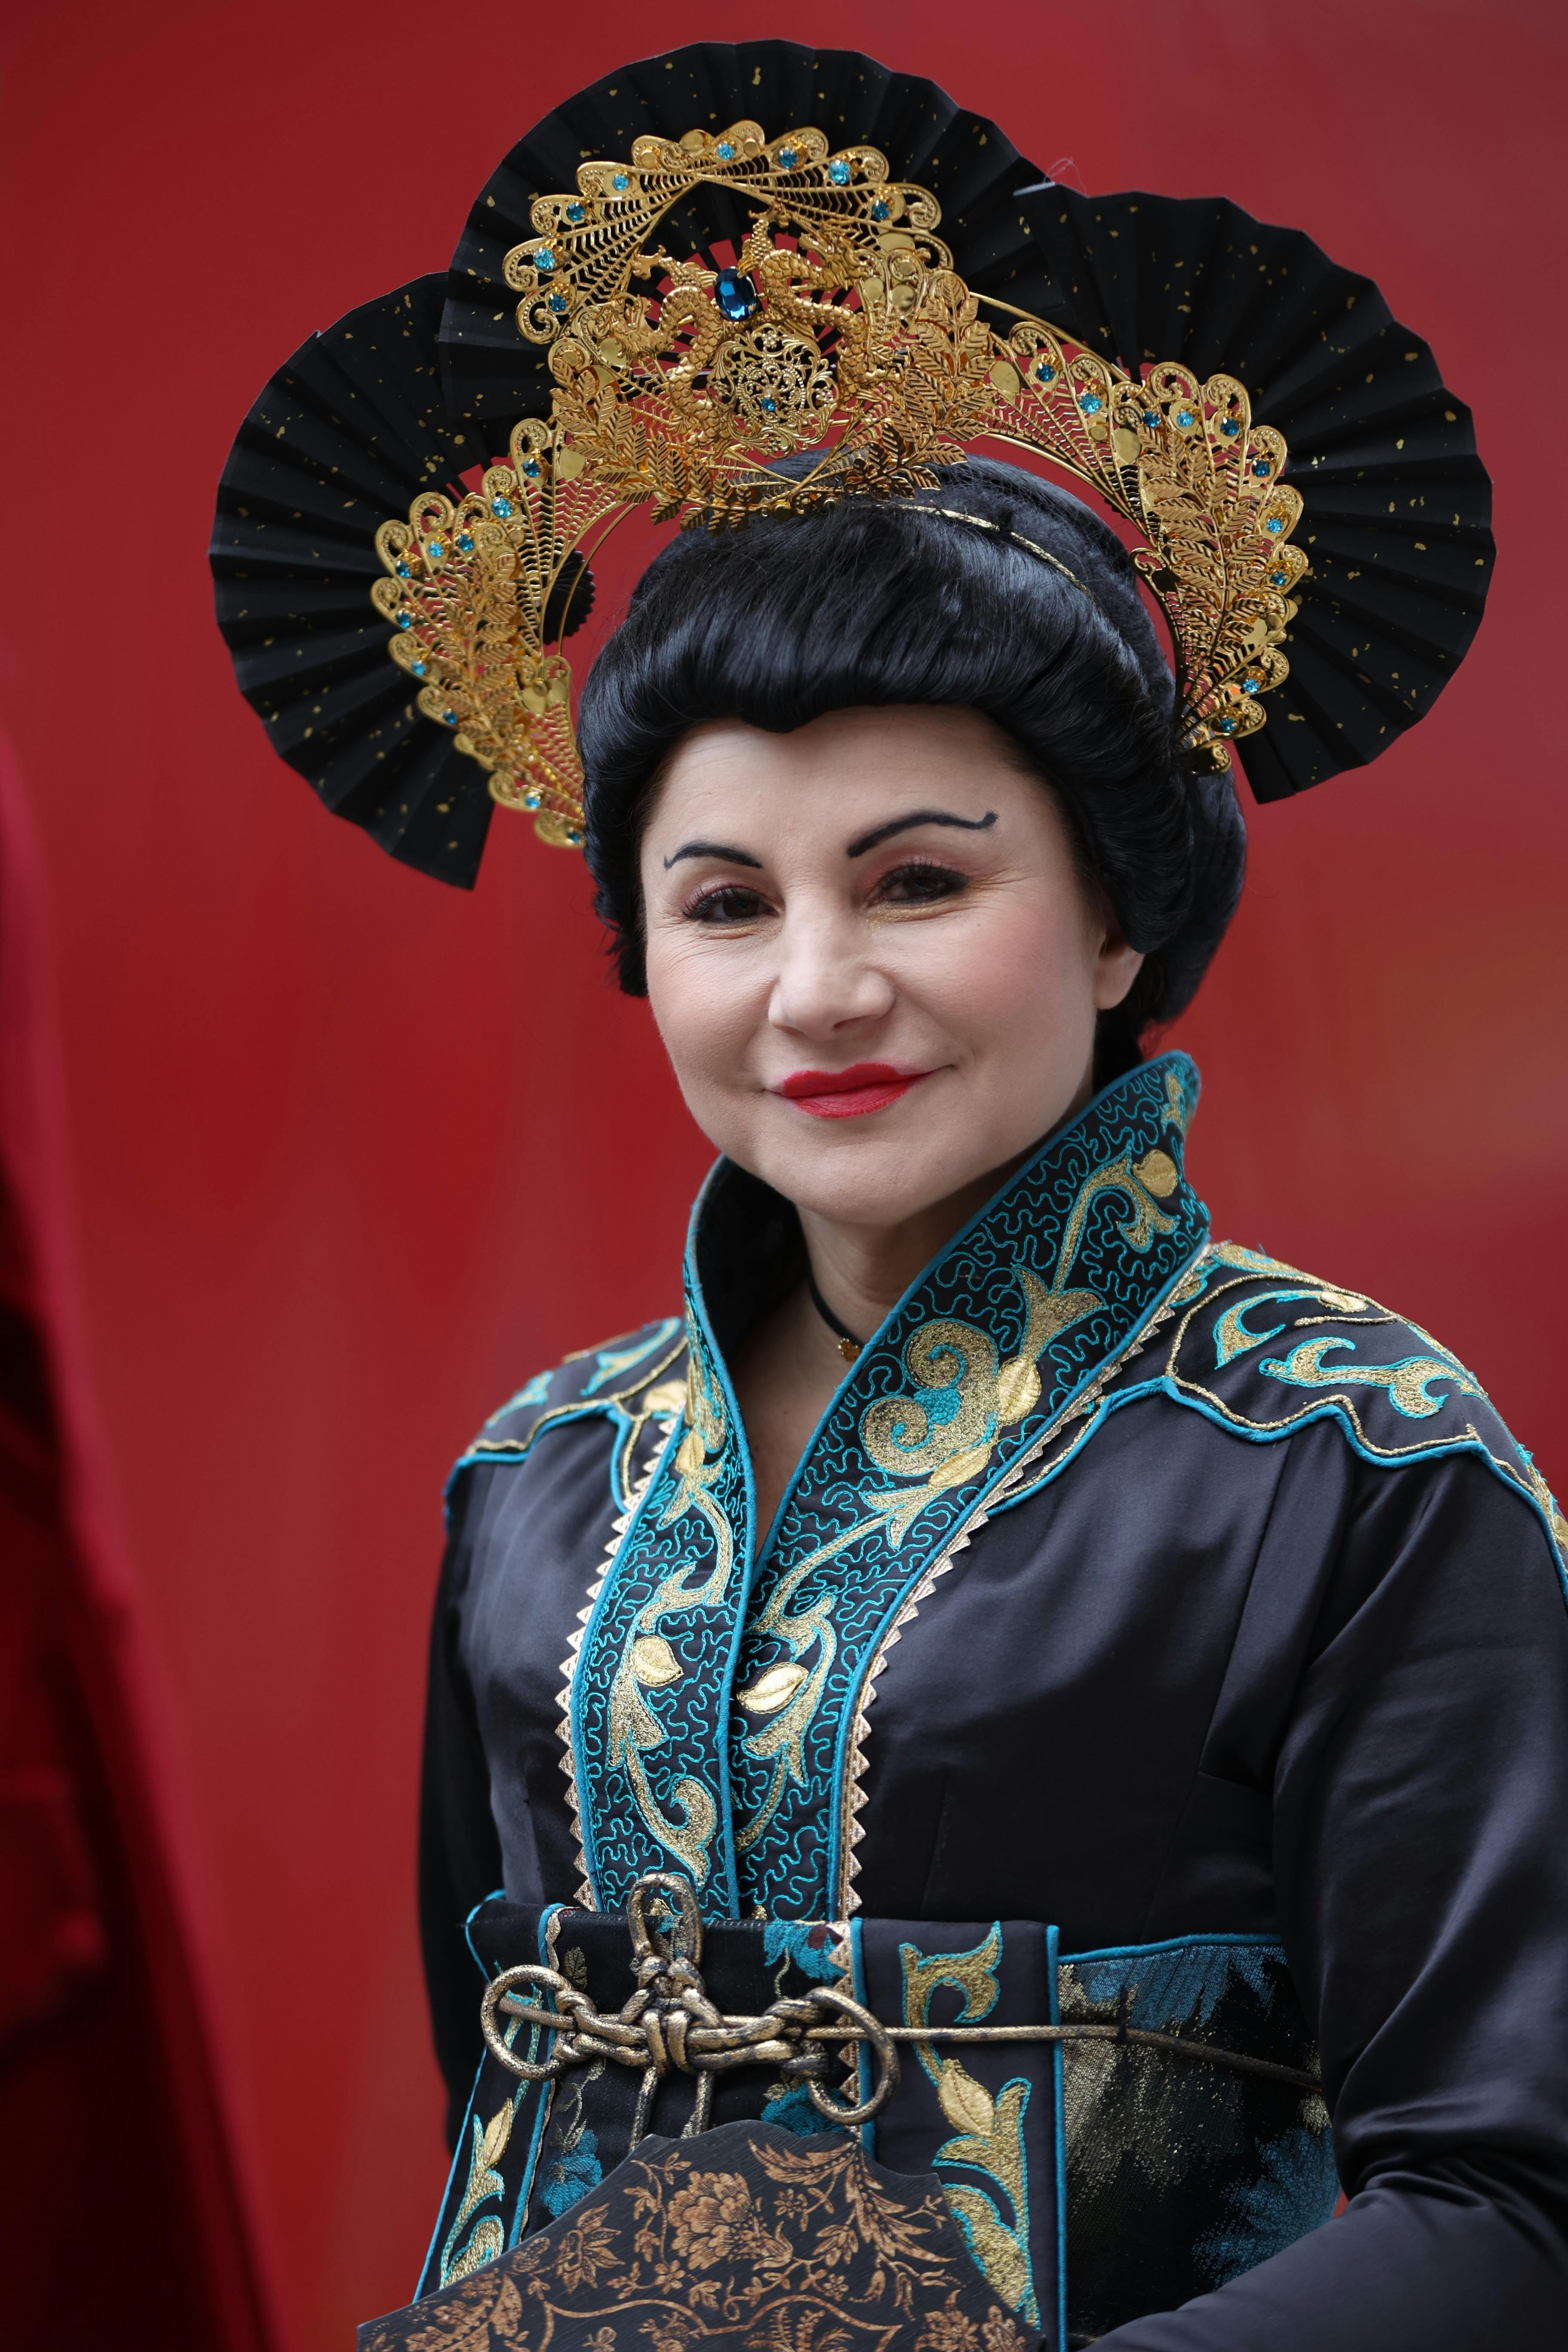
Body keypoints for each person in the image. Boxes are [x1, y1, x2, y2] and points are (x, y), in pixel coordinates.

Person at [212, 40, 1567, 2350]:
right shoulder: (539, 1487)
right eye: (722, 903)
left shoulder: (1350, 1470)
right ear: (637, 952)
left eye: (921, 880)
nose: (818, 987)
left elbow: (1515, 2211)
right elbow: (501, 2153)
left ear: (1125, 920)